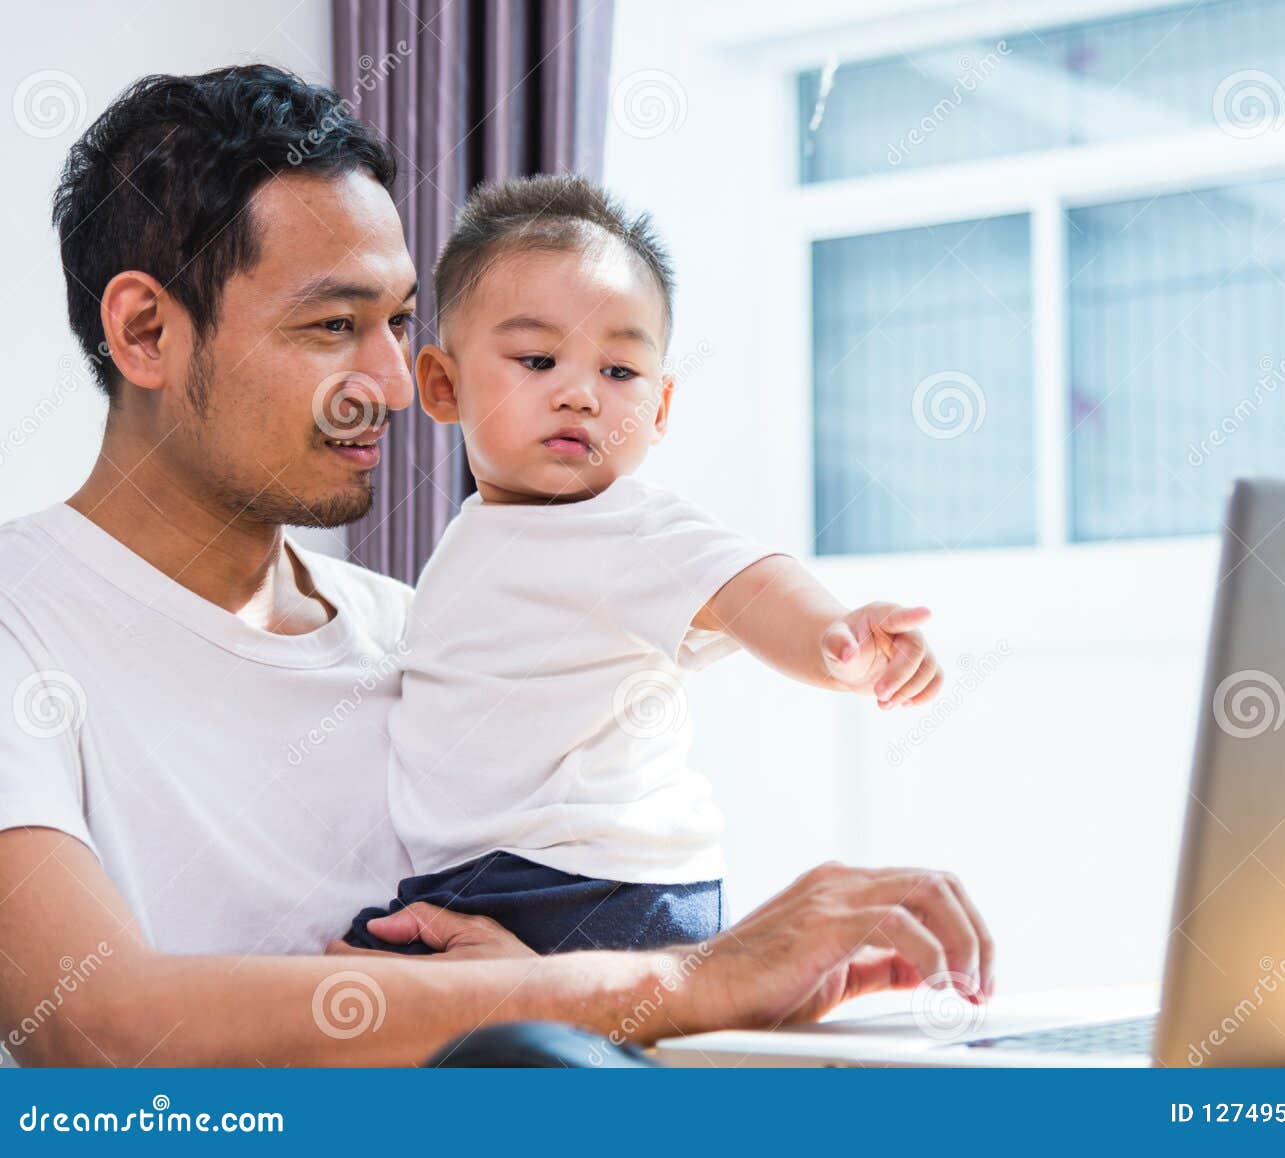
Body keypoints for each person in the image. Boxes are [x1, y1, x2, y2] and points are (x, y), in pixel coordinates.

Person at [0, 64, 993, 1066]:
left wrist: (549, 988)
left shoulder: (423, 632)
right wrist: (685, 982)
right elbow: (96, 1027)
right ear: (144, 331)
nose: (394, 381)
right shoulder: (19, 623)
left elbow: (516, 997)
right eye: (334, 326)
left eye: (396, 321)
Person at [343, 174, 946, 957]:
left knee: (359, 991)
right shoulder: (479, 534)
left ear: (659, 409)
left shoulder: (628, 525)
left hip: (590, 886)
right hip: (508, 879)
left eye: (619, 372)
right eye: (537, 360)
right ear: (441, 384)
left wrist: (837, 638)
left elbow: (749, 585)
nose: (581, 395)